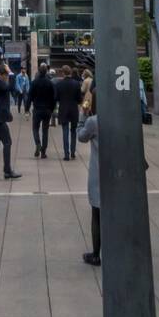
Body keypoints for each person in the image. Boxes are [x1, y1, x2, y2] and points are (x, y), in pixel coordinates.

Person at [77, 88, 100, 266]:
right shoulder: (120, 117)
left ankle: (95, 254)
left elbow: (81, 137)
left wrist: (83, 114)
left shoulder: (93, 121)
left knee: (97, 214)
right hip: (119, 174)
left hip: (99, 174)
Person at [55, 64, 83, 161]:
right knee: (73, 131)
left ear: (63, 73)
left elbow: (56, 98)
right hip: (74, 110)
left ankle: (66, 154)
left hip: (63, 109)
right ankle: (73, 152)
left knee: (65, 131)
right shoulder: (76, 84)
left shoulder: (59, 84)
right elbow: (79, 99)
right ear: (70, 72)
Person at [29, 62, 56, 158]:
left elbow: (30, 96)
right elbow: (54, 97)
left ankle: (37, 144)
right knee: (45, 130)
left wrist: (27, 109)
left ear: (39, 72)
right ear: (46, 72)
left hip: (37, 109)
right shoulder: (50, 83)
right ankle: (43, 151)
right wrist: (52, 109)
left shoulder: (34, 82)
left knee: (35, 128)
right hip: (47, 109)